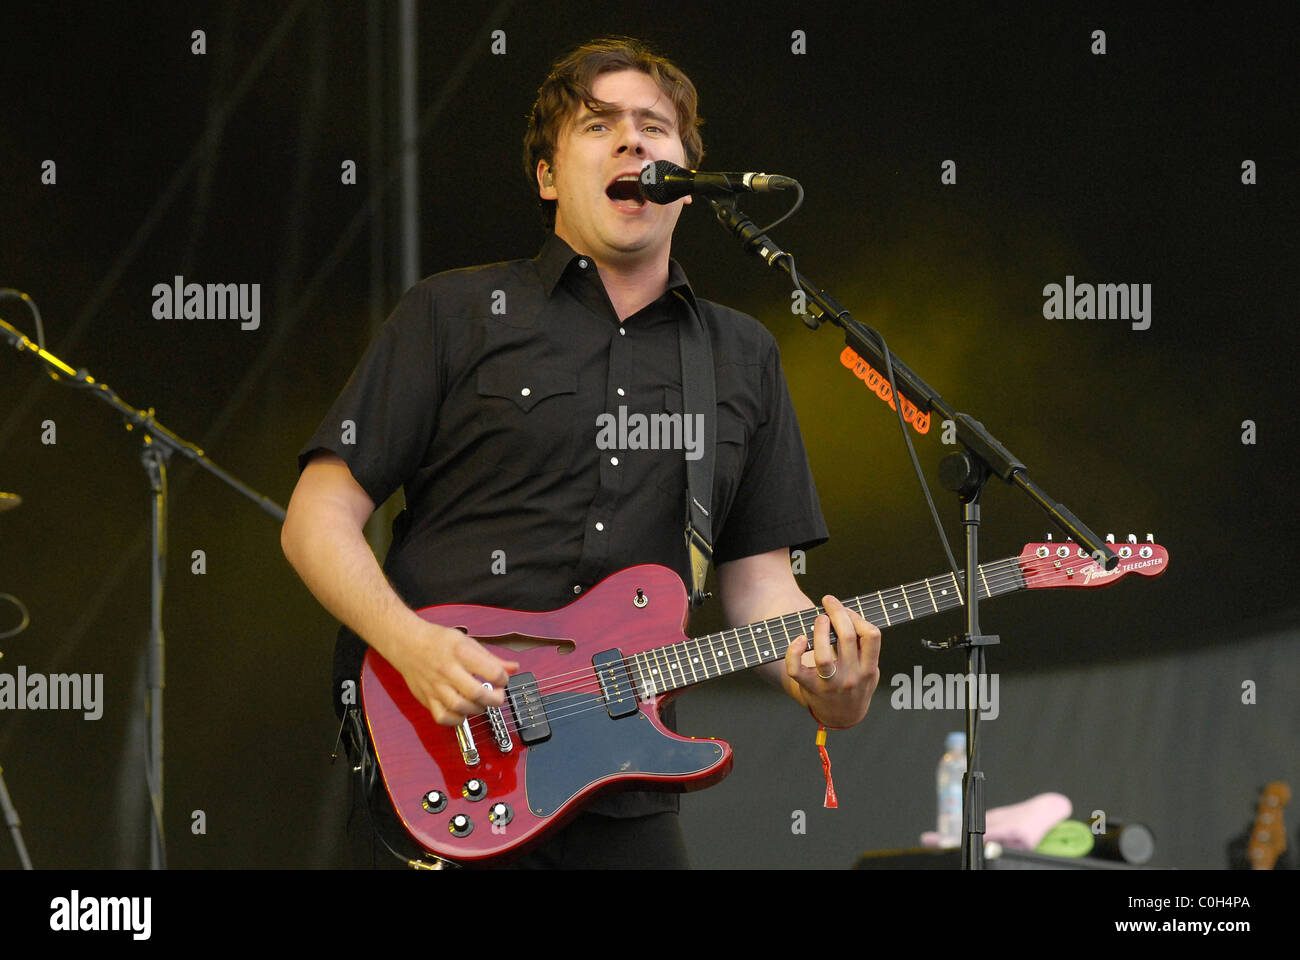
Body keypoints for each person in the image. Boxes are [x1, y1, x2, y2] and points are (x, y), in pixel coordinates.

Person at [281, 36, 882, 869]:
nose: (634, 142)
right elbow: (316, 518)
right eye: (600, 126)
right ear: (548, 175)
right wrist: (411, 645)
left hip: (627, 787)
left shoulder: (741, 356)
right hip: (449, 762)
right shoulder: (454, 313)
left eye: (654, 127)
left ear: (686, 179)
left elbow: (759, 588)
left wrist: (828, 688)